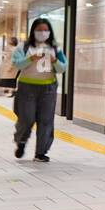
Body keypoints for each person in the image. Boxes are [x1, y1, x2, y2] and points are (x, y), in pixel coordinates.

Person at [11, 18, 66, 161]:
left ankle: (41, 152)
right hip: (26, 88)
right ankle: (21, 141)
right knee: (26, 118)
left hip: (48, 88)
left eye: (45, 30)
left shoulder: (55, 48)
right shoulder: (23, 47)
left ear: (50, 32)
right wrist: (30, 58)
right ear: (33, 31)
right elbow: (17, 65)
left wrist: (55, 61)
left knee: (46, 120)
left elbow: (63, 68)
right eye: (39, 30)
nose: (43, 33)